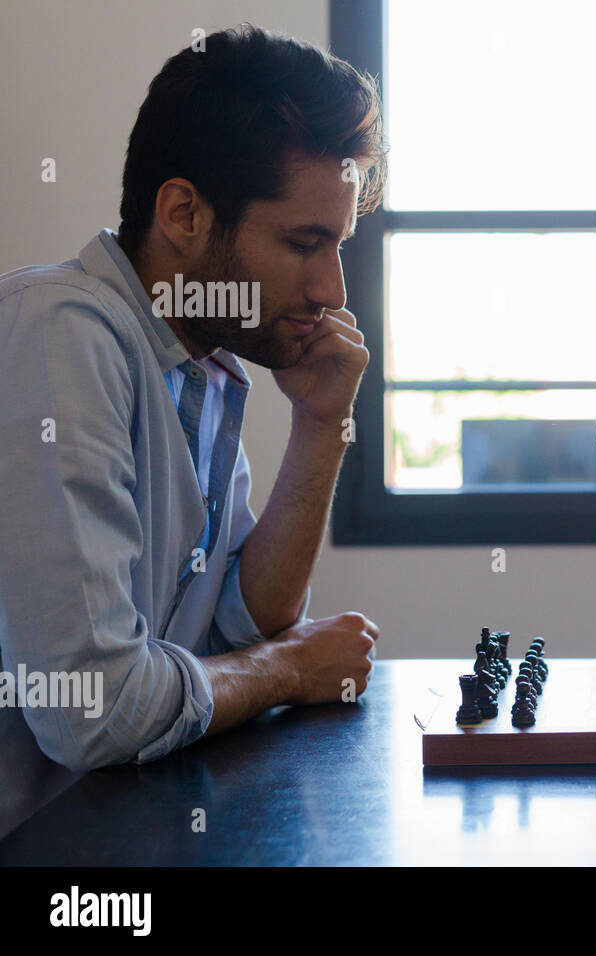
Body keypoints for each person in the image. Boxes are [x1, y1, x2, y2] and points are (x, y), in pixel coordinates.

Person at [0, 25, 385, 837]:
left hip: (116, 838)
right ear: (183, 213)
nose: (330, 288)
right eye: (304, 243)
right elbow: (96, 709)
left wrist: (323, 423)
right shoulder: (62, 331)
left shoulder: (202, 361)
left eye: (339, 245)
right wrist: (287, 672)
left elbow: (237, 629)